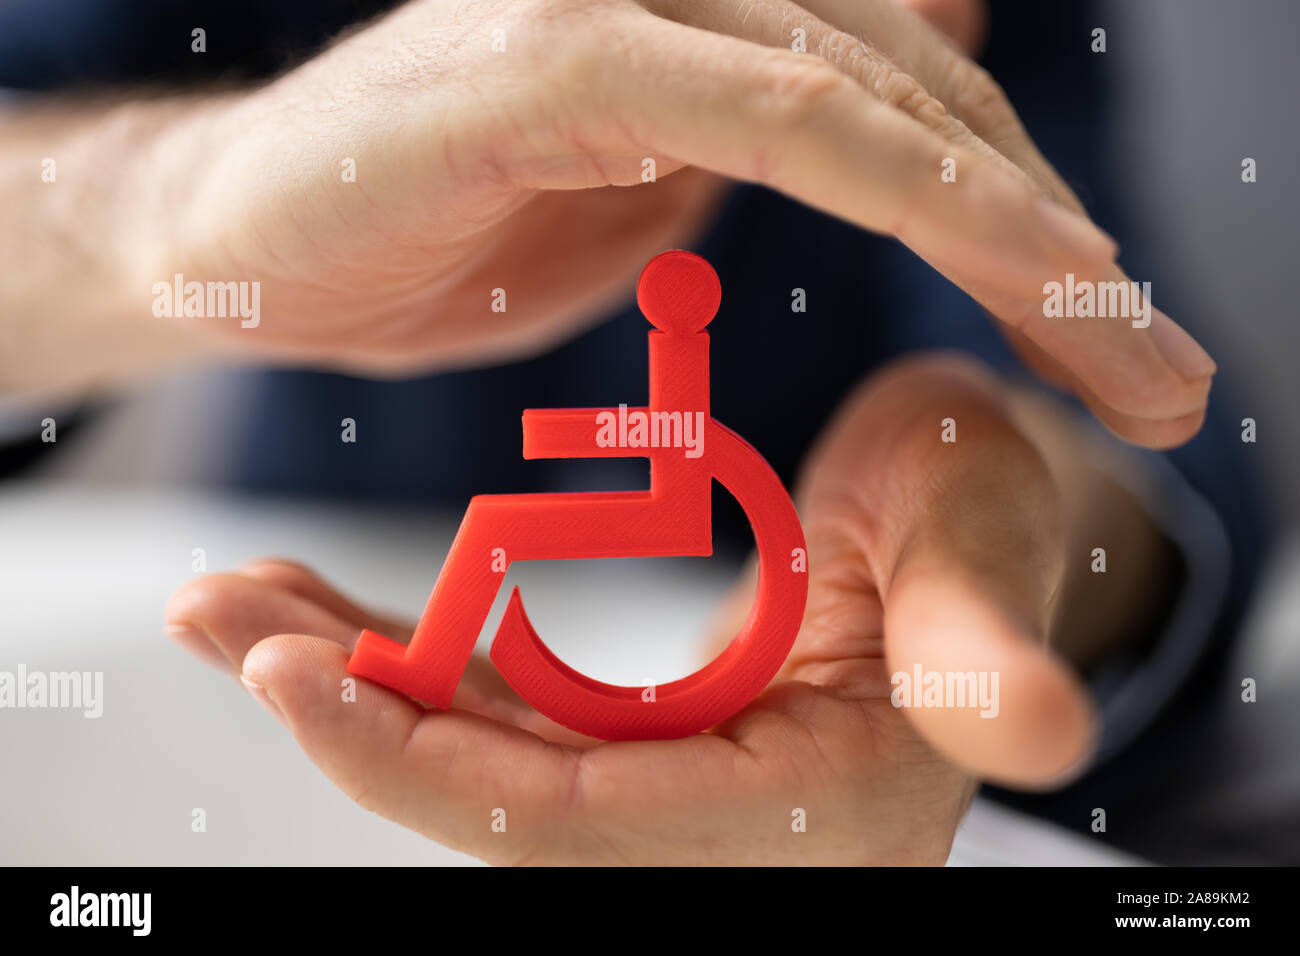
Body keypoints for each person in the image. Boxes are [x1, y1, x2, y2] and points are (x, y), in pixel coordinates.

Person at [0, 0, 1266, 863]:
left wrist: (1014, 534)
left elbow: (1083, 363)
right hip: (259, 727)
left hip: (779, 629)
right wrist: (157, 214)